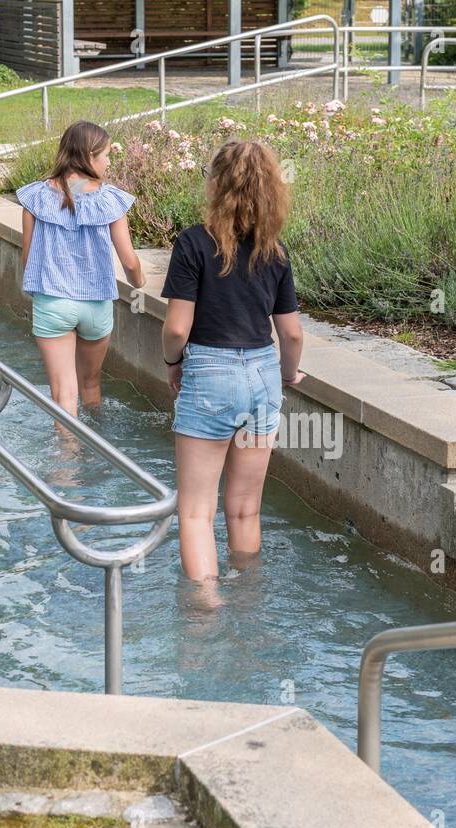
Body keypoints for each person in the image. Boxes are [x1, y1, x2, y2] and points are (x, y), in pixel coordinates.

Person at [161, 140, 305, 583]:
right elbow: (292, 333)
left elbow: (177, 329)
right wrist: (288, 373)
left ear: (216, 185)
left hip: (209, 373)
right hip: (263, 376)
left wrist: (173, 365)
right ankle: (246, 601)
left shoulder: (192, 243)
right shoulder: (275, 252)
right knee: (244, 510)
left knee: (196, 512)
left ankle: (205, 611)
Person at [18, 120, 146, 420]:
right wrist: (140, 281)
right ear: (89, 156)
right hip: (96, 305)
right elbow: (129, 261)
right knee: (90, 385)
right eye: (106, 154)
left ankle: (66, 463)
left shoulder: (35, 196)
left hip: (53, 302)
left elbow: (28, 259)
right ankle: (99, 450)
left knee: (64, 393)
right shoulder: (110, 199)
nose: (109, 161)